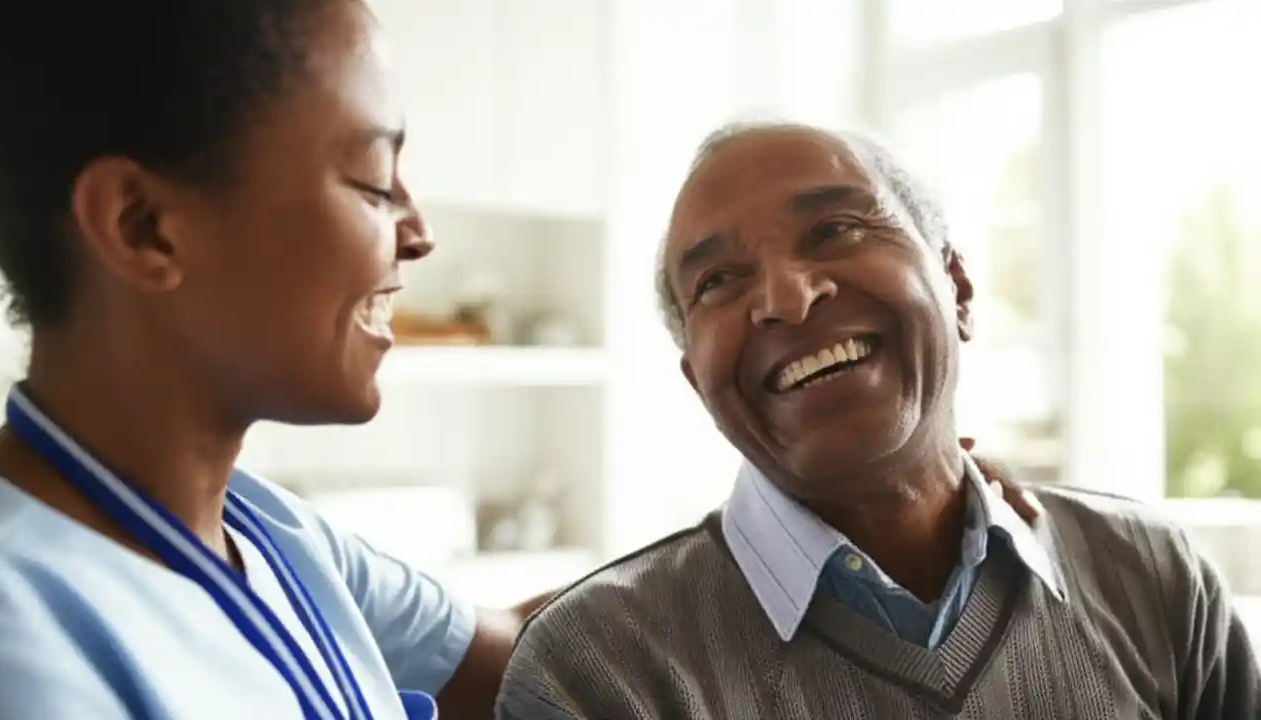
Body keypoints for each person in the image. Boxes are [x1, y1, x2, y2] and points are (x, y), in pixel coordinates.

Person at [496, 122, 1261, 718]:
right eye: (721, 280)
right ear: (698, 381)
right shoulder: (598, 671)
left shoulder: (1150, 577)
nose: (788, 299)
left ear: (957, 288)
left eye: (834, 230)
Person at [0, 2, 544, 718]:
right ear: (143, 226)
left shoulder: (261, 528)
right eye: (374, 180)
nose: (419, 234)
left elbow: (535, 655)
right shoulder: (11, 644)